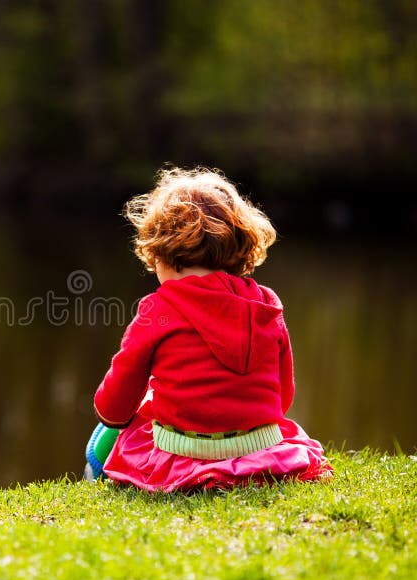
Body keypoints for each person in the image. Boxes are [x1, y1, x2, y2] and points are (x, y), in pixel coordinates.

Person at [84, 167, 332, 490]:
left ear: (162, 254)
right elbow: (282, 396)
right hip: (260, 450)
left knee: (111, 441)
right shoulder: (267, 306)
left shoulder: (156, 309)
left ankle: (92, 480)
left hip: (183, 456)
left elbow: (112, 407)